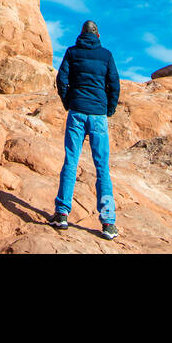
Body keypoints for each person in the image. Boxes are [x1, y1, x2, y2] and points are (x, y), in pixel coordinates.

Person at [51, 19, 120, 239]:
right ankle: (108, 223)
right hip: (98, 115)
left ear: (81, 35)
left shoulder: (72, 52)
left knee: (71, 161)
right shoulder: (106, 55)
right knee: (102, 169)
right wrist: (108, 109)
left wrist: (68, 103)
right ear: (98, 36)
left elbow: (61, 80)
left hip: (77, 112)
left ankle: (62, 214)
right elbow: (115, 85)